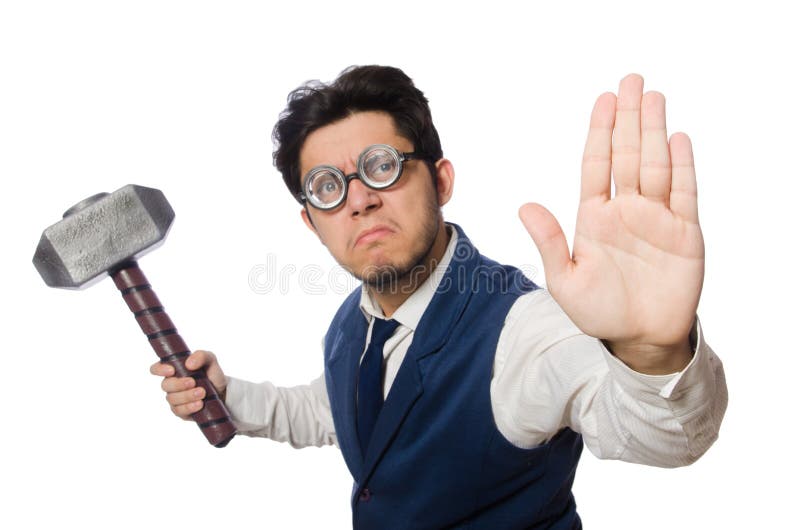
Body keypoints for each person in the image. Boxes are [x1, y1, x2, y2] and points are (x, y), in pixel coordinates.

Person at [151, 65, 727, 529]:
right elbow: (342, 411)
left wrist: (652, 352)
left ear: (442, 181)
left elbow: (664, 438)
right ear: (311, 221)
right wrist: (230, 397)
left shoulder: (524, 329)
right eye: (328, 186)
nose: (359, 200)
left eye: (382, 167)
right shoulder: (354, 322)